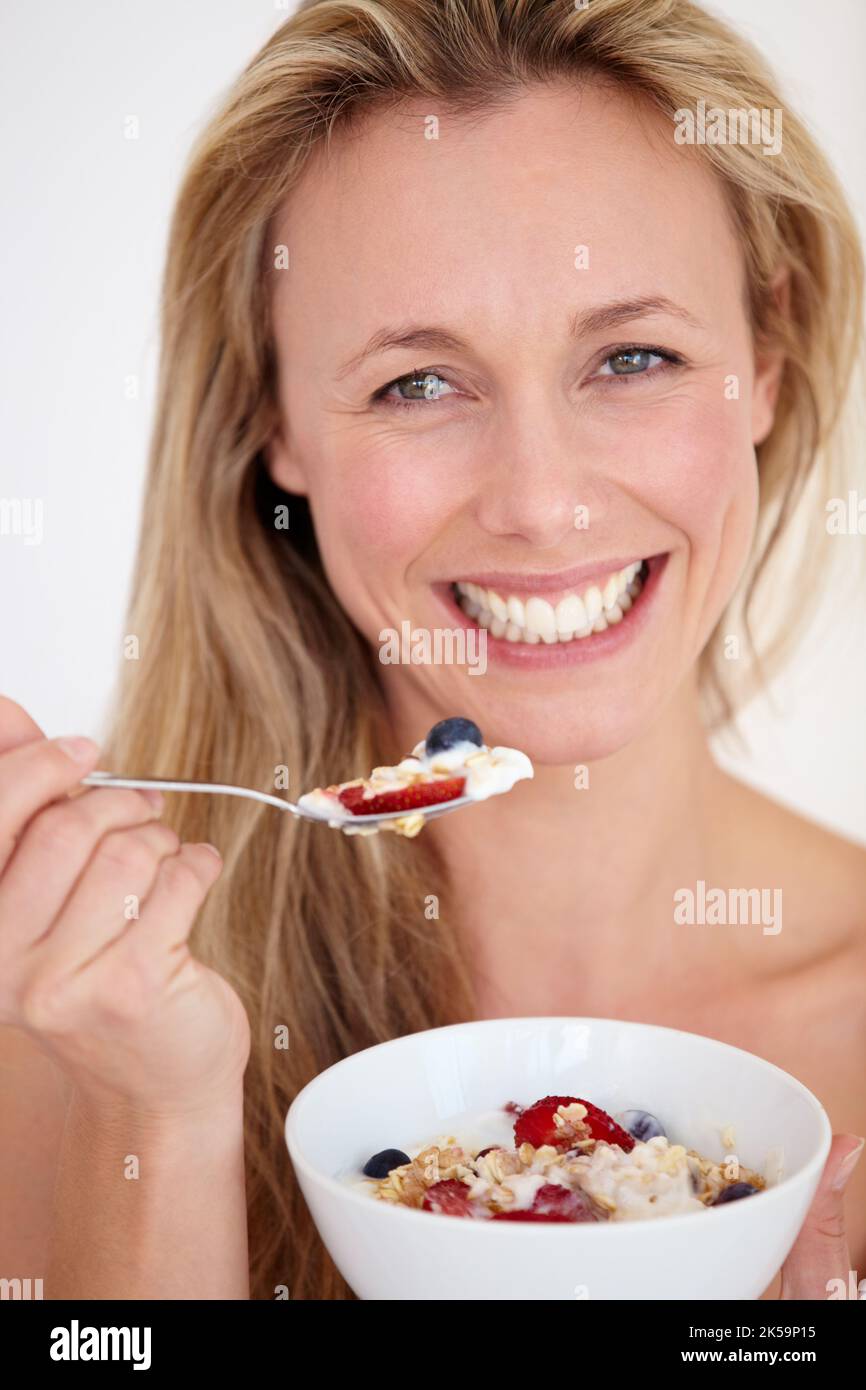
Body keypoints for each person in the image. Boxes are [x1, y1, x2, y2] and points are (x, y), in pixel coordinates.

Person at [1, 0, 864, 1301]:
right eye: (417, 383)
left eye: (632, 356)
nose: (540, 499)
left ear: (767, 361)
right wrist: (149, 1126)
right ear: (270, 428)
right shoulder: (72, 1017)